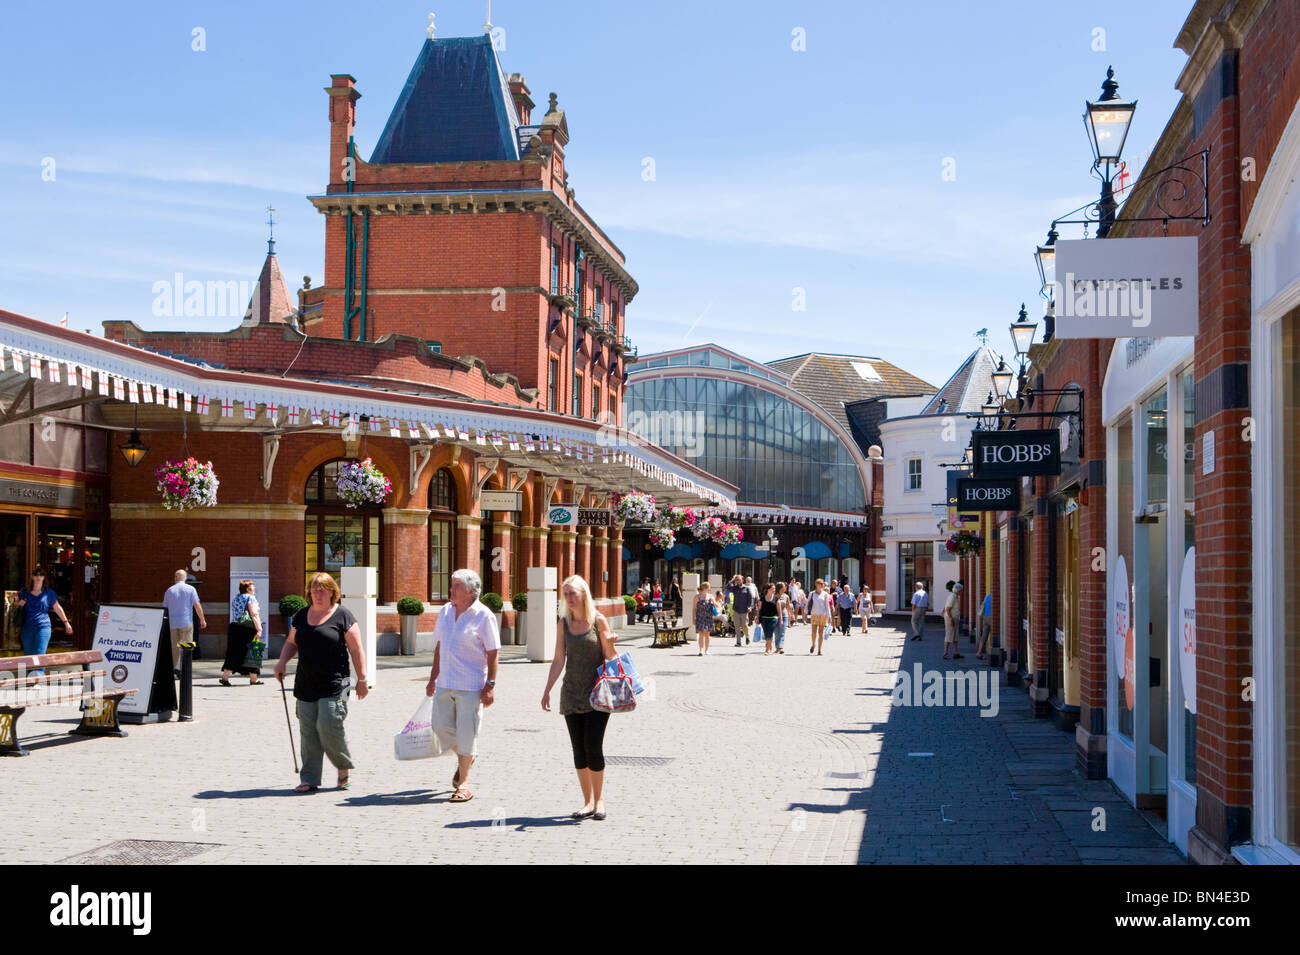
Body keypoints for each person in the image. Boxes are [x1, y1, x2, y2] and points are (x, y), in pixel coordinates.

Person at [275, 572, 367, 792]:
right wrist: (281, 662)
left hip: (337, 683)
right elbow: (291, 642)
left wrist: (362, 679)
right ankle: (309, 778)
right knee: (308, 731)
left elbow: (356, 649)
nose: (317, 592)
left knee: (328, 726)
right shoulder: (301, 615)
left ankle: (343, 768)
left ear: (332, 591)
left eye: (322, 588)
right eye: (314, 588)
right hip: (306, 682)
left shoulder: (343, 615)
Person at [542, 575, 616, 821]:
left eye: (573, 593)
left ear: (584, 593)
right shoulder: (564, 623)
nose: (569, 598)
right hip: (571, 693)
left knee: (593, 746)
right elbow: (558, 659)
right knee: (579, 750)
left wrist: (612, 645)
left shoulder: (599, 620)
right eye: (566, 594)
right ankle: (587, 802)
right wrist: (547, 690)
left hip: (597, 695)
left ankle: (600, 800)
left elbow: (610, 658)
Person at [425, 568, 500, 804]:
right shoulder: (446, 611)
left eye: (456, 585)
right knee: (439, 728)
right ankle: (467, 757)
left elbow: (493, 652)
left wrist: (490, 685)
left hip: (470, 685)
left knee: (467, 733)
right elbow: (440, 646)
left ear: (470, 591)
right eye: (452, 584)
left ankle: (464, 784)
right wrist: (432, 676)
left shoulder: (483, 615)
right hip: (445, 682)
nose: (451, 589)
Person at [16, 567, 73, 675]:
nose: (38, 577)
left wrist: (66, 623)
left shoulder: (49, 593)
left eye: (41, 575)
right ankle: (30, 677)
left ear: (44, 578)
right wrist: (19, 603)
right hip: (27, 627)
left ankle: (37, 678)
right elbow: (16, 603)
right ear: (32, 577)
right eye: (36, 574)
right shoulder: (25, 592)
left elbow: (57, 608)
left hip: (43, 626)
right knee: (28, 654)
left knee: (40, 652)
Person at [162, 569, 206, 674]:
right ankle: (185, 668)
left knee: (174, 646)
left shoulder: (169, 590)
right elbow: (197, 605)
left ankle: (176, 668)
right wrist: (202, 619)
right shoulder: (191, 589)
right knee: (186, 646)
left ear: (175, 578)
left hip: (172, 623)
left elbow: (165, 608)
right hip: (186, 622)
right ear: (185, 578)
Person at [221, 579, 264, 686]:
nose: (254, 589)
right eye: (253, 587)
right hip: (247, 628)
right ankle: (253, 679)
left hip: (235, 627)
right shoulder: (251, 597)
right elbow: (254, 614)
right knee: (253, 651)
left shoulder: (236, 598)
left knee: (233, 652)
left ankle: (225, 677)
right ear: (248, 589)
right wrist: (259, 629)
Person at [807, 578, 832, 655]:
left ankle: (819, 650)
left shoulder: (825, 594)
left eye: (822, 584)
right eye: (820, 584)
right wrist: (805, 613)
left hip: (822, 615)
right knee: (814, 633)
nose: (822, 585)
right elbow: (808, 604)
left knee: (820, 633)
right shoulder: (812, 594)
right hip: (814, 614)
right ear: (816, 585)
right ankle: (813, 644)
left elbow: (827, 606)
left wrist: (829, 616)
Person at [726, 575, 752, 647]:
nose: (738, 581)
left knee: (744, 626)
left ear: (742, 580)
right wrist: (733, 579)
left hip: (744, 610)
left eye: (739, 580)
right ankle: (738, 642)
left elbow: (750, 599)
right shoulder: (734, 588)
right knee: (737, 626)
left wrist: (749, 607)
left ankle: (747, 636)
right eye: (737, 580)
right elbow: (727, 587)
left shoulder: (747, 589)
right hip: (736, 610)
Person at [757, 583, 780, 655]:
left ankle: (767, 650)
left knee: (769, 633)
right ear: (768, 589)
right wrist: (757, 618)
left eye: (774, 589)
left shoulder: (776, 598)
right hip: (764, 618)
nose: (774, 590)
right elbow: (759, 609)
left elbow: (779, 610)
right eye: (772, 589)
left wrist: (781, 619)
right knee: (767, 634)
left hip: (773, 618)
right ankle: (770, 647)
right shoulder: (762, 598)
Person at [943, 581, 965, 661]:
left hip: (955, 618)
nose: (962, 592)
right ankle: (945, 653)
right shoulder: (952, 597)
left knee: (955, 636)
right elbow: (948, 609)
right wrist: (951, 619)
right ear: (958, 590)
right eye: (961, 590)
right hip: (950, 618)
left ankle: (956, 653)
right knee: (949, 635)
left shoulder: (955, 596)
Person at [692, 581, 714, 655]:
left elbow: (716, 604)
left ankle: (707, 650)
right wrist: (693, 618)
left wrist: (717, 602)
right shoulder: (697, 597)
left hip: (708, 617)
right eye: (709, 587)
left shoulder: (710, 596)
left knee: (707, 634)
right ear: (705, 588)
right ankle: (701, 650)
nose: (710, 588)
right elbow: (694, 608)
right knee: (701, 634)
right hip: (700, 617)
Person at [774, 581, 791, 654]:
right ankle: (777, 647)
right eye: (784, 586)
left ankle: (780, 647)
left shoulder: (786, 596)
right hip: (774, 616)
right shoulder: (773, 596)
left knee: (782, 632)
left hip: (784, 616)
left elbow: (788, 606)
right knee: (776, 633)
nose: (785, 588)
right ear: (780, 588)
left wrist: (791, 614)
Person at [976, 591, 993, 659]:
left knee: (984, 635)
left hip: (985, 617)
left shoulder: (987, 596)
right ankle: (992, 653)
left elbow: (982, 605)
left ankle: (979, 652)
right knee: (994, 634)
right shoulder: (996, 596)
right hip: (991, 617)